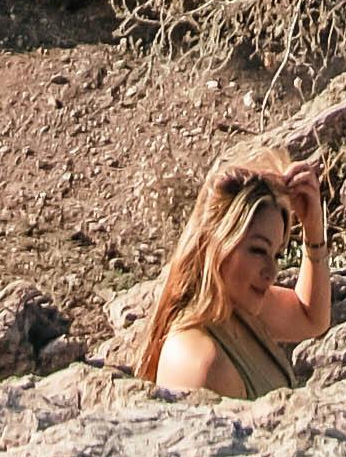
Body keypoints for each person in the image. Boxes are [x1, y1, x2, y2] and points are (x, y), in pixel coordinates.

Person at [139, 153, 332, 399]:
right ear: (218, 243)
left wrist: (313, 228)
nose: (272, 272)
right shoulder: (201, 362)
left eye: (276, 255)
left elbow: (311, 318)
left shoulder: (235, 309)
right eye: (258, 250)